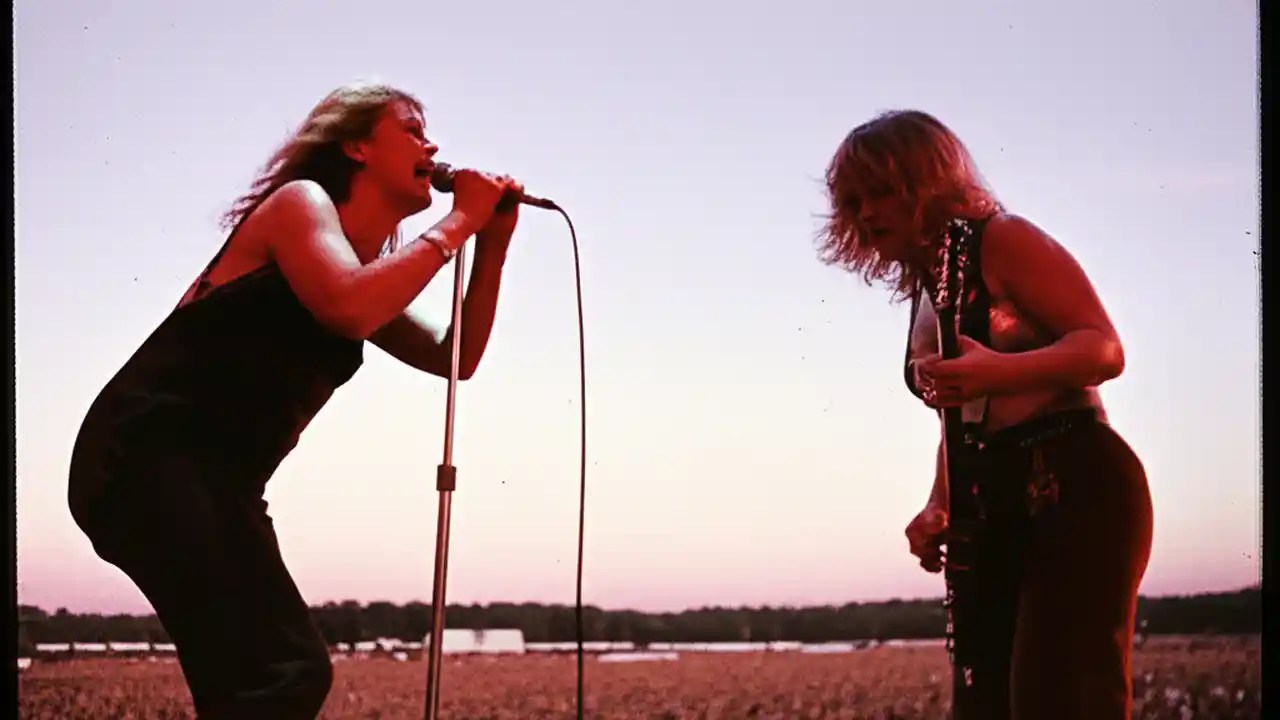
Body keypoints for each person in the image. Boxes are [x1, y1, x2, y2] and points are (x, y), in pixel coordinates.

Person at [67, 82, 524, 719]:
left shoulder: (363, 266)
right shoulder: (300, 205)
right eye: (414, 130)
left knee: (251, 681)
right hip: (148, 454)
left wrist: (492, 247)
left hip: (216, 479)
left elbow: (457, 360)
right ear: (356, 145)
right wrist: (459, 222)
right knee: (284, 671)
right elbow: (347, 305)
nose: (434, 145)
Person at [817, 110, 1154, 719]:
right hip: (991, 495)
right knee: (984, 704)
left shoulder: (1003, 239)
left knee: (1061, 697)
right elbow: (963, 419)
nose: (867, 213)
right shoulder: (929, 286)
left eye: (885, 191)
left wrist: (996, 371)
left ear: (930, 184)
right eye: (855, 199)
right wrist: (939, 503)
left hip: (1075, 480)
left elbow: (1103, 348)